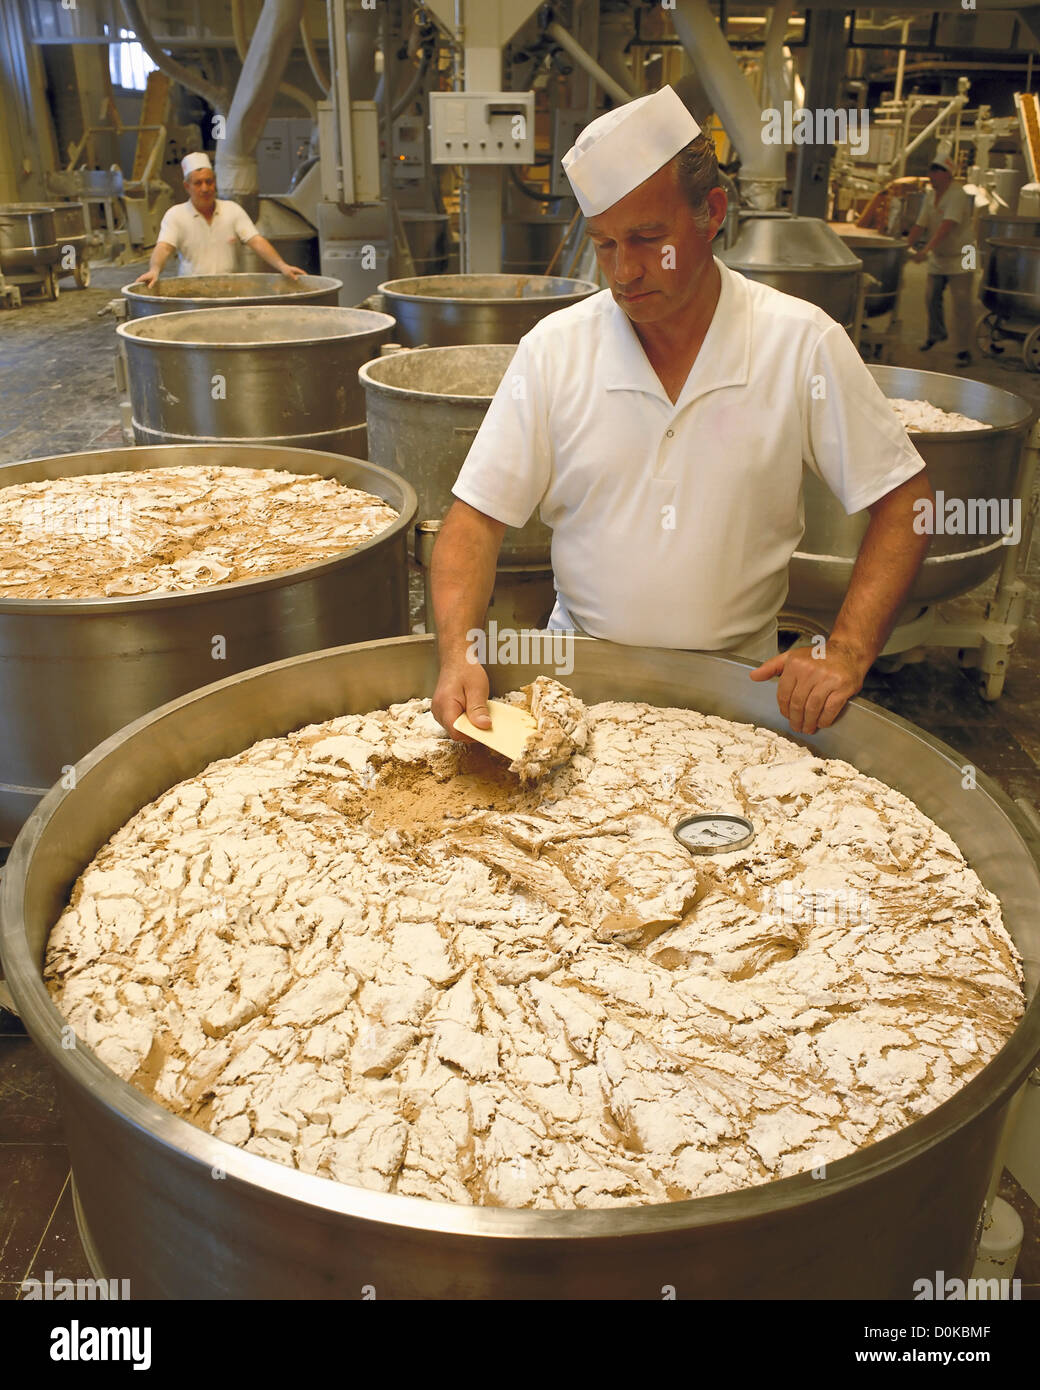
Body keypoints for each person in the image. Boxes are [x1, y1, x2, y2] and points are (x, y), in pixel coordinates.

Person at [430, 86, 934, 741]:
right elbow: (473, 522)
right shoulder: (555, 351)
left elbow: (908, 502)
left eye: (647, 238)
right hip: (580, 689)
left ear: (711, 213)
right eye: (605, 245)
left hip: (738, 699)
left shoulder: (797, 343)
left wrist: (847, 650)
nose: (624, 271)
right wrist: (458, 652)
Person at [137, 152, 306, 286]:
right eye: (198, 183)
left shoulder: (232, 210)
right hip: (191, 292)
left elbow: (256, 241)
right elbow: (164, 247)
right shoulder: (176, 215)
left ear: (215, 182)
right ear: (186, 186)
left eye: (209, 182)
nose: (205, 188)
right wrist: (155, 269)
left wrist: (282, 265)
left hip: (230, 289)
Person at [906, 153, 977, 367]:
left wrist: (925, 250)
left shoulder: (958, 195)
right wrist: (905, 245)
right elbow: (921, 224)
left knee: (962, 302)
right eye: (931, 172)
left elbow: (947, 227)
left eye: (936, 172)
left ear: (947, 175)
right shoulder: (930, 196)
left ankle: (964, 349)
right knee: (931, 296)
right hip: (941, 254)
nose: (931, 176)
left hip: (964, 254)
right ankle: (936, 334)